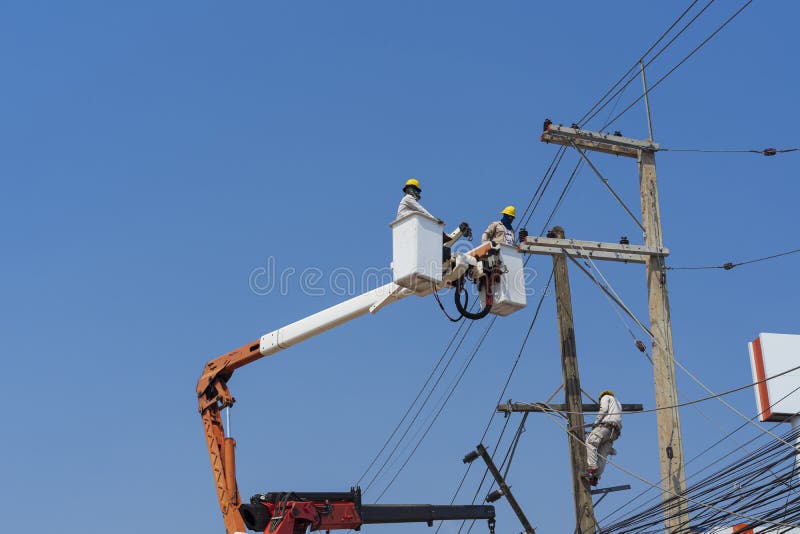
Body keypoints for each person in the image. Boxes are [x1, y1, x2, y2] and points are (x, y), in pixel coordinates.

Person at [585, 389, 622, 486]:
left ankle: (592, 467)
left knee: (590, 442)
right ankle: (596, 477)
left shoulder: (606, 397)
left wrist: (596, 422)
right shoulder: (618, 403)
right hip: (614, 432)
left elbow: (604, 409)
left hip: (606, 426)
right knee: (602, 454)